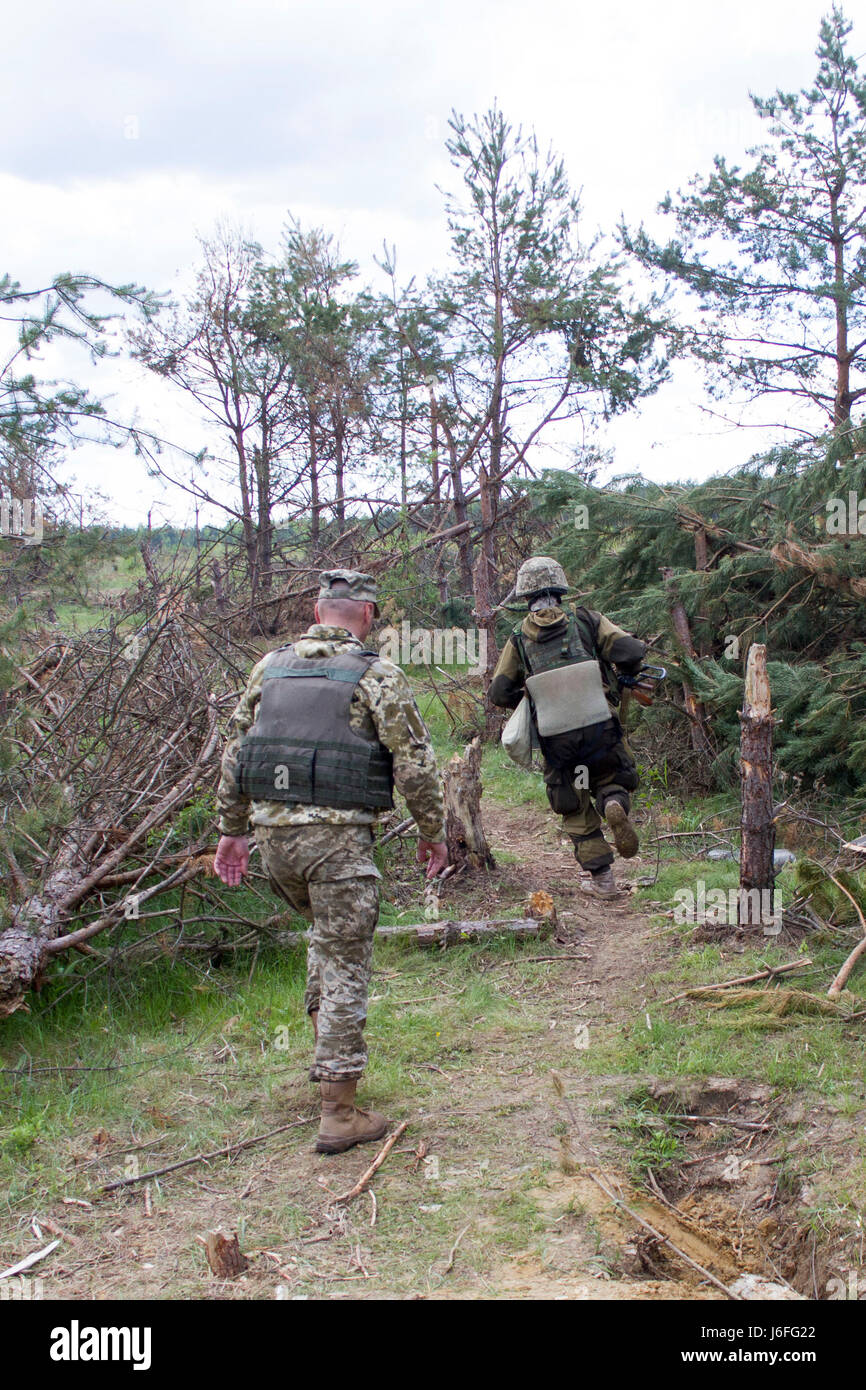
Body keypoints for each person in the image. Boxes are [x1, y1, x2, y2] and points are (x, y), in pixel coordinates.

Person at [213, 569, 448, 1153]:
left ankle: (327, 1067)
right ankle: (338, 1113)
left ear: (318, 609)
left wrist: (231, 831)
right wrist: (434, 833)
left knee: (323, 940)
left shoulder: (269, 668)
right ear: (367, 616)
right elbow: (414, 763)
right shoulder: (377, 674)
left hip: (275, 843)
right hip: (338, 844)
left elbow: (236, 750)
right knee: (346, 958)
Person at [489, 557, 647, 898]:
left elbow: (499, 693)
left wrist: (532, 692)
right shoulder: (586, 620)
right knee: (609, 779)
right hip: (600, 730)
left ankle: (603, 880)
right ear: (560, 589)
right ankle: (611, 805)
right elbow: (631, 650)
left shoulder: (518, 639)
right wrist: (623, 672)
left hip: (558, 742)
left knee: (573, 804)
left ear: (526, 597)